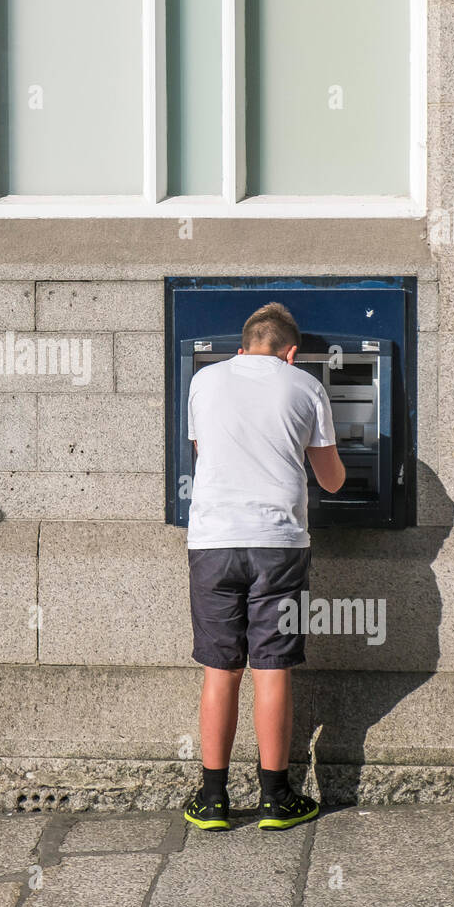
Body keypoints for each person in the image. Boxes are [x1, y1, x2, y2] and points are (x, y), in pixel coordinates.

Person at [184, 302, 345, 831]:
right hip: (278, 544)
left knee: (220, 668)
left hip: (213, 542)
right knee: (272, 667)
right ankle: (277, 798)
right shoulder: (306, 387)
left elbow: (203, 450)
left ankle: (212, 800)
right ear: (291, 352)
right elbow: (333, 480)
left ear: (242, 345)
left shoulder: (205, 381)